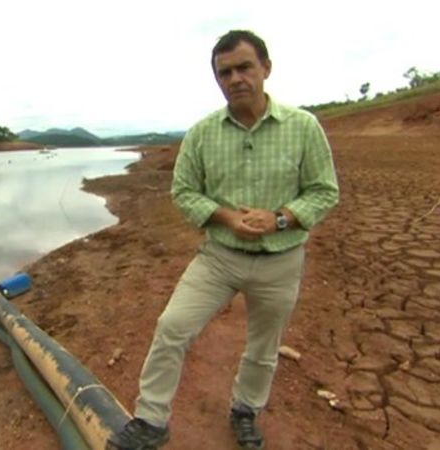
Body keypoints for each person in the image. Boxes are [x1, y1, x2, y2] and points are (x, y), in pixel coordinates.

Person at [106, 30, 340, 450]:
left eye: (244, 67)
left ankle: (245, 411)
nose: (235, 79)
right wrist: (227, 217)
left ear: (266, 68)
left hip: (281, 260)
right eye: (224, 72)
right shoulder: (202, 133)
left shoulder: (303, 127)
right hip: (219, 258)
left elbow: (324, 191)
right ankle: (151, 420)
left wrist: (280, 219)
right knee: (172, 327)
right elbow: (183, 191)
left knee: (263, 348)